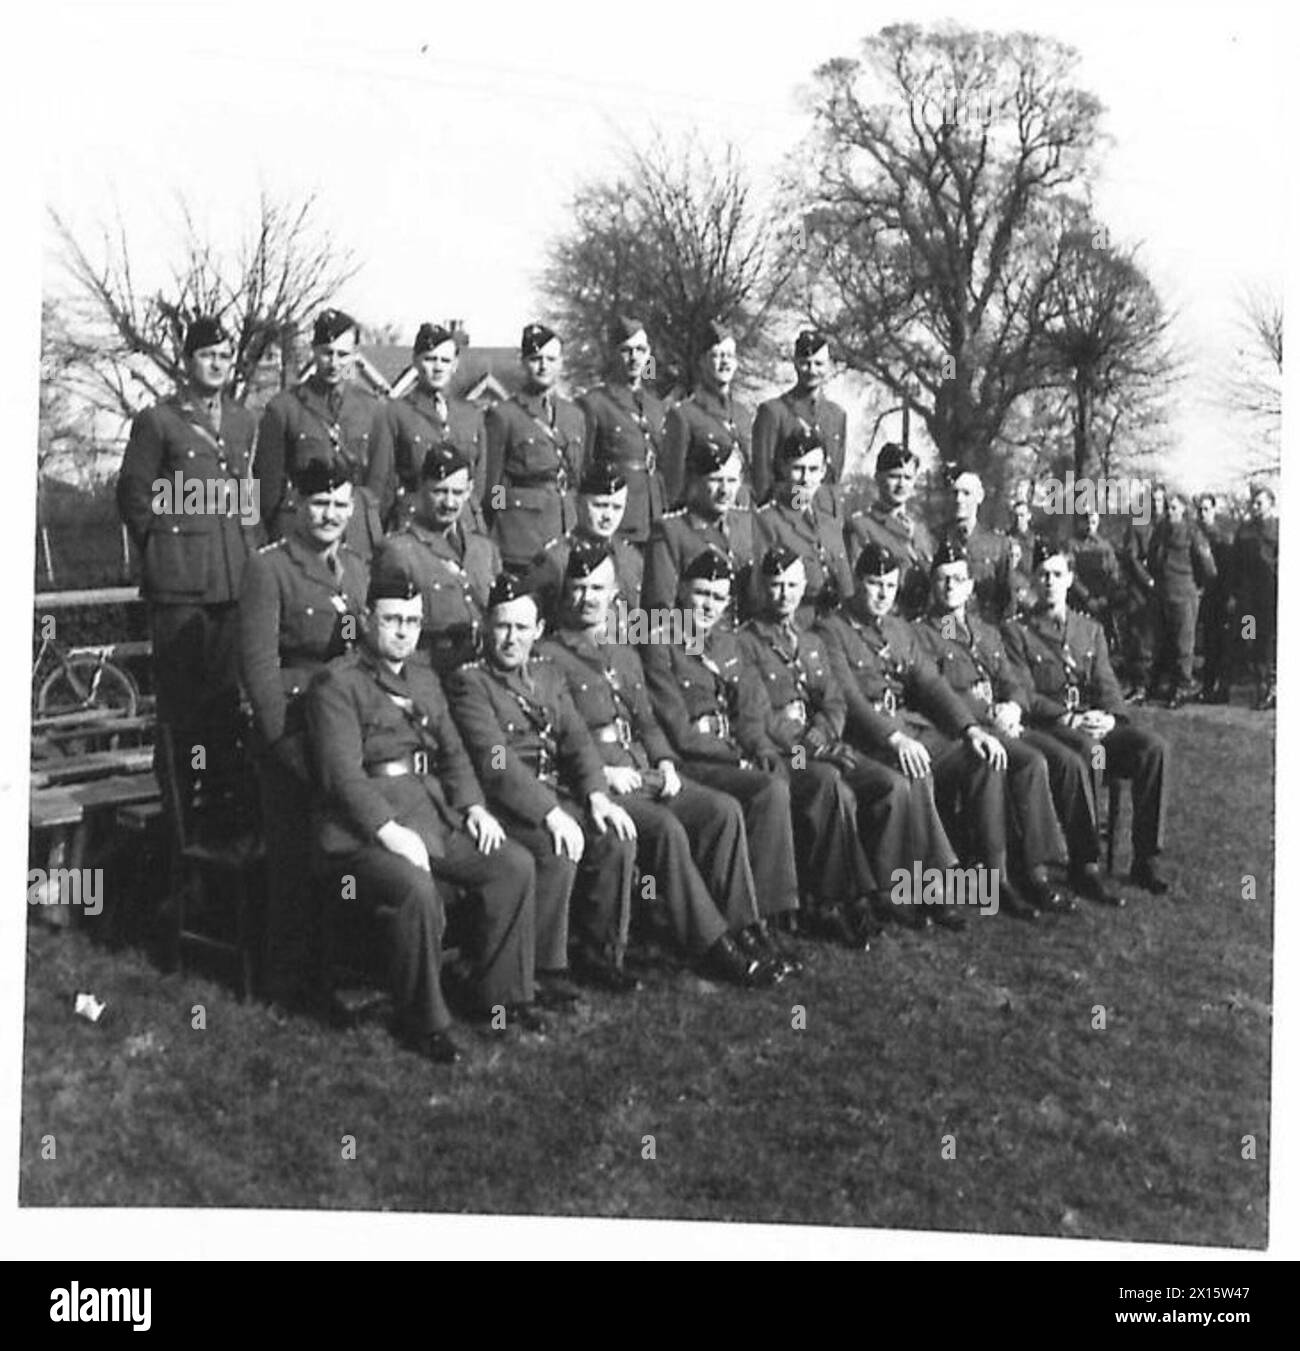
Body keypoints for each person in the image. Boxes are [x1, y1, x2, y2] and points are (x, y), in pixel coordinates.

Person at [306, 562, 542, 1065]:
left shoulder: (424, 677)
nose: (403, 632)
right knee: (417, 890)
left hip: (431, 815)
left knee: (513, 865)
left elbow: (453, 753)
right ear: (366, 620)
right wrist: (388, 831)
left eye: (412, 622)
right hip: (361, 835)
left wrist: (474, 807)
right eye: (392, 620)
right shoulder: (336, 683)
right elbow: (340, 777)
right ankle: (425, 1020)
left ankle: (499, 997)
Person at [542, 541, 780, 986]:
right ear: (564, 594)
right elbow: (560, 734)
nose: (587, 597)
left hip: (646, 771)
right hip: (600, 782)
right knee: (666, 830)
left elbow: (647, 722)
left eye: (597, 588)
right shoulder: (548, 656)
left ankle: (745, 928)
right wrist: (603, 773)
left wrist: (667, 763)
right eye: (578, 588)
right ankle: (712, 946)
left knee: (720, 812)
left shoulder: (623, 652)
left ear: (614, 593)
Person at [818, 542, 1035, 929]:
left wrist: (970, 730)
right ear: (857, 583)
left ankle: (993, 879)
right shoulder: (833, 629)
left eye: (890, 584)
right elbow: (848, 698)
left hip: (909, 726)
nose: (883, 593)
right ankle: (928, 889)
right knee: (913, 772)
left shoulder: (898, 629)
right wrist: (893, 739)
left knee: (981, 759)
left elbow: (932, 685)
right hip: (867, 735)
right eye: (873, 583)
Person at [446, 574, 640, 997]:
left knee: (613, 836)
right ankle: (541, 967)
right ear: (485, 627)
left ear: (537, 631)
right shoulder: (471, 682)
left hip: (558, 792)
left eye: (521, 628)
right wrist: (550, 813)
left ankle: (600, 952)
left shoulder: (548, 675)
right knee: (555, 847)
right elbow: (495, 763)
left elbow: (577, 742)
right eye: (501, 626)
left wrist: (597, 797)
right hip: (507, 804)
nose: (511, 638)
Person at [116, 315, 260, 803]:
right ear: (188, 360)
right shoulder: (159, 420)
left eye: (224, 355)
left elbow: (245, 498)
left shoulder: (241, 419)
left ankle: (217, 807)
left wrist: (251, 557)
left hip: (230, 584)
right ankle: (178, 814)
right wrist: (165, 552)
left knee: (224, 703)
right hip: (179, 591)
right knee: (181, 709)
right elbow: (135, 497)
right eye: (207, 355)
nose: (217, 363)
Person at [239, 462, 368, 1005]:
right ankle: (291, 979)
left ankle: (351, 965)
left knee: (356, 844)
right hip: (294, 729)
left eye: (340, 504)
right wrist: (282, 746)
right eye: (319, 503)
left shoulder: (358, 567)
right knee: (297, 855)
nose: (330, 514)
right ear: (295, 503)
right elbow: (259, 669)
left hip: (349, 724)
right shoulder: (269, 568)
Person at [642, 549, 803, 973]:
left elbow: (750, 710)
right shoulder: (661, 639)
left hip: (732, 755)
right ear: (680, 592)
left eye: (718, 596)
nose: (708, 604)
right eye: (700, 594)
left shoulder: (727, 641)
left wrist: (763, 749)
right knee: (746, 797)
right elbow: (677, 729)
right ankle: (740, 923)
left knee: (773, 788)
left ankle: (762, 919)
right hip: (689, 760)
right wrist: (739, 757)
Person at [914, 539, 1089, 916]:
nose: (950, 587)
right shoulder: (926, 634)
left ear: (971, 586)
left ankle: (1038, 869)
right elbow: (937, 694)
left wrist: (1012, 706)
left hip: (1001, 723)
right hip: (963, 731)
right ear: (932, 586)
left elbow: (1012, 680)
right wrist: (983, 714)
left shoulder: (986, 630)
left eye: (958, 579)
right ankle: (1006, 878)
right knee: (1029, 762)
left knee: (1056, 757)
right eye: (942, 580)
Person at [1003, 540, 1171, 895]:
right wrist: (1069, 718)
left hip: (1096, 724)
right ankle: (1086, 862)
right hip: (1054, 727)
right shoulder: (1017, 631)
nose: (1049, 581)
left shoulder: (1089, 629)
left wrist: (1111, 717)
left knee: (1154, 748)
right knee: (1087, 751)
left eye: (1057, 574)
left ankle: (1145, 859)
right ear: (1033, 580)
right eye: (1043, 574)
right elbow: (1025, 692)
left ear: (1070, 579)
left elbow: (1107, 683)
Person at [737, 547, 885, 944]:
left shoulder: (810, 641)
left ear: (804, 587)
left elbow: (834, 700)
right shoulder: (745, 643)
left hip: (816, 741)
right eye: (775, 585)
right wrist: (807, 745)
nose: (783, 594)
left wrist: (820, 735)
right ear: (761, 589)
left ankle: (865, 893)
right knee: (826, 782)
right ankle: (829, 902)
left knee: (877, 779)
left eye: (791, 585)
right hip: (780, 748)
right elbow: (760, 714)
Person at [257, 308, 390, 560]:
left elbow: (380, 482)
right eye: (327, 353)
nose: (334, 362)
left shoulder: (372, 409)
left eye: (343, 355)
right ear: (314, 351)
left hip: (356, 531)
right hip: (300, 528)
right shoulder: (284, 407)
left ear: (354, 356)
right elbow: (267, 486)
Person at [375, 443, 499, 676]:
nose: (449, 503)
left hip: (481, 672)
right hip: (430, 673)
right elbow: (381, 630)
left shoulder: (485, 548)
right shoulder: (398, 551)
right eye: (439, 491)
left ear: (470, 490)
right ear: (421, 488)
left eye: (457, 492)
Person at [483, 323, 585, 572]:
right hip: (522, 533)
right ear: (523, 362)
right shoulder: (504, 415)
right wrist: (500, 525)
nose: (543, 366)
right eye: (535, 358)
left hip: (566, 524)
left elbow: (578, 476)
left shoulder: (575, 415)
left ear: (561, 363)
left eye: (551, 359)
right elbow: (493, 483)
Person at [379, 321, 487, 532]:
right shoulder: (396, 412)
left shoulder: (472, 415)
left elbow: (491, 481)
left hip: (466, 524)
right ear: (416, 361)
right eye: (430, 359)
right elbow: (381, 482)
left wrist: (493, 515)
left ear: (455, 365)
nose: (438, 367)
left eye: (445, 360)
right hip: (414, 523)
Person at [576, 316, 668, 547]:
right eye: (626, 350)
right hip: (618, 515)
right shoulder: (594, 403)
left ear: (649, 355)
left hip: (655, 511)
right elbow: (582, 468)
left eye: (641, 350)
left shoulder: (656, 406)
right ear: (612, 355)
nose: (634, 357)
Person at [643, 441, 761, 620]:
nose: (725, 491)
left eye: (731, 481)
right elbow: (658, 613)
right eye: (715, 480)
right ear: (695, 481)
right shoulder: (670, 532)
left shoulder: (749, 523)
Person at [753, 430, 855, 625]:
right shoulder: (766, 521)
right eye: (798, 469)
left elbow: (847, 587)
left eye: (814, 469)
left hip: (833, 629)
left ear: (824, 471)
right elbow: (758, 593)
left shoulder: (829, 523)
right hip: (793, 626)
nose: (806, 479)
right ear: (783, 468)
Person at [525, 462, 644, 621]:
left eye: (617, 507)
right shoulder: (555, 560)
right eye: (600, 506)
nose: (608, 516)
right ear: (578, 504)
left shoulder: (631, 558)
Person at [751, 329, 847, 511]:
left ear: (830, 366)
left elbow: (834, 475)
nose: (812, 371)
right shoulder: (773, 412)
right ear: (795, 363)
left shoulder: (837, 415)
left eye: (819, 364)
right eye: (805, 363)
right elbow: (762, 479)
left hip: (824, 515)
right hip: (784, 516)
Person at [661, 321, 754, 508]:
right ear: (702, 362)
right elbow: (673, 484)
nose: (725, 361)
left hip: (740, 516)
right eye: (717, 355)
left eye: (729, 355)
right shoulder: (683, 415)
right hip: (702, 514)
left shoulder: (743, 414)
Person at [844, 442, 936, 620]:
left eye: (908, 478)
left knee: (951, 641)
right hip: (889, 620)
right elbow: (856, 588)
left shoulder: (920, 529)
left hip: (924, 624)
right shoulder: (861, 526)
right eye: (894, 476)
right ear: (878, 478)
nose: (902, 484)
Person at [1147, 491, 1216, 708]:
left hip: (1185, 594)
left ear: (1184, 509)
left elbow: (1208, 567)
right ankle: (1164, 687)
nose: (1170, 511)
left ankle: (1182, 688)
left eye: (1174, 507)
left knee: (1183, 645)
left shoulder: (1193, 532)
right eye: (1167, 507)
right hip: (1163, 594)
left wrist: (1198, 588)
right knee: (1165, 642)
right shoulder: (1160, 530)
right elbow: (1152, 558)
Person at [941, 468, 1014, 622]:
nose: (959, 499)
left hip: (985, 632)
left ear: (979, 497)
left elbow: (1006, 600)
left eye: (966, 493)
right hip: (947, 628)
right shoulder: (933, 539)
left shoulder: (998, 545)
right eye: (954, 493)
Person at [1117, 483, 1167, 700]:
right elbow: (1132, 557)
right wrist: (1148, 581)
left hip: (1165, 589)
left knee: (1161, 637)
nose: (1156, 505)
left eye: (1160, 501)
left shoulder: (1169, 525)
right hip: (1140, 589)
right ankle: (1139, 686)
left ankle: (1157, 684)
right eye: (1153, 500)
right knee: (1139, 638)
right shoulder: (1138, 523)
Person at [1233, 482, 1278, 711]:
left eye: (1260, 503)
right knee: (1248, 637)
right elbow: (1236, 564)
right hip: (1248, 597)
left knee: (1268, 641)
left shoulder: (1279, 528)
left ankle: (1269, 688)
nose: (1256, 507)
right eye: (1254, 503)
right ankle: (1256, 682)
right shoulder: (1245, 530)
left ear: (1271, 505)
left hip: (1271, 594)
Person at [1194, 493, 1235, 704]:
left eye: (1207, 509)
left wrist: (1229, 597)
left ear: (1214, 510)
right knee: (1208, 643)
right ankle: (1207, 686)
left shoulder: (1223, 537)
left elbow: (1229, 571)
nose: (1203, 513)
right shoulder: (1194, 534)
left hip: (1221, 596)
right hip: (1203, 596)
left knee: (1224, 643)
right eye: (1199, 509)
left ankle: (1223, 688)